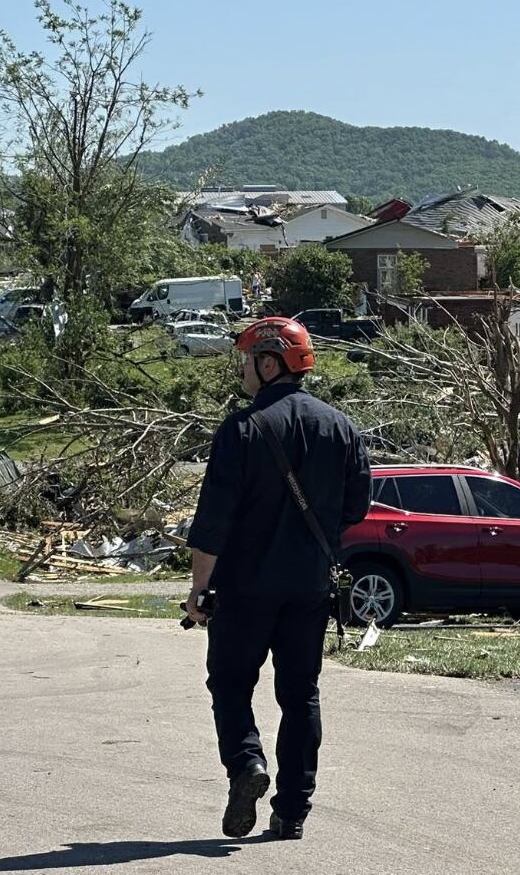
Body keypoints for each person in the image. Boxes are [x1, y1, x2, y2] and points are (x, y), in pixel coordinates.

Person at [184, 318, 369, 841]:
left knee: (230, 685)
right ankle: (292, 812)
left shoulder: (240, 430)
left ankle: (247, 765)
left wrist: (199, 589)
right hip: (310, 588)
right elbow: (357, 507)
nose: (242, 371)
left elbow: (212, 523)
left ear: (269, 364)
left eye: (246, 361)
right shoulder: (342, 428)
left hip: (243, 590)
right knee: (300, 694)